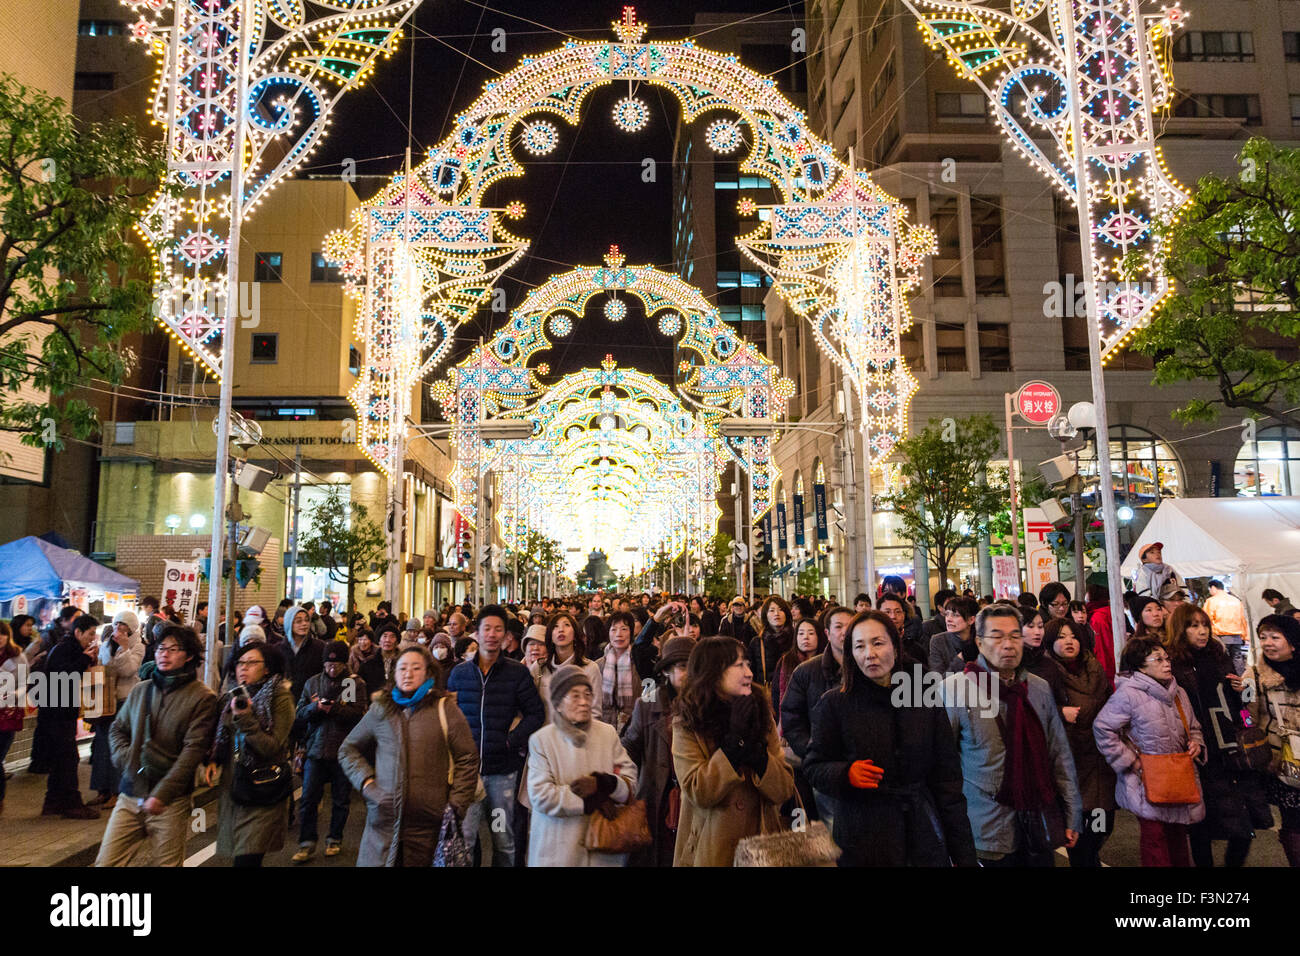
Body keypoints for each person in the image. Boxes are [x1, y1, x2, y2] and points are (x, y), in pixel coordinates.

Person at [804, 611, 976, 866]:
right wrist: (844, 774)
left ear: (895, 647)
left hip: (922, 832)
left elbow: (947, 780)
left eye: (878, 643)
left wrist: (964, 856)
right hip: (862, 834)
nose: (869, 654)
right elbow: (814, 765)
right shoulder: (834, 704)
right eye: (859, 646)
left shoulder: (922, 696)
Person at [940, 605, 1082, 866]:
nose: (1008, 645)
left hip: (1039, 822)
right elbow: (941, 769)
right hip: (985, 830)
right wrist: (950, 835)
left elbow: (1059, 753)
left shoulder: (1037, 688)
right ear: (980, 643)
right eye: (997, 636)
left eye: (1015, 636)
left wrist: (1072, 813)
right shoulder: (954, 690)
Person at [339, 645, 479, 866]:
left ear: (428, 673)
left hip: (429, 827)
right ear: (394, 673)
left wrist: (455, 805)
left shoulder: (446, 709)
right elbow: (348, 749)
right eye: (402, 668)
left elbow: (467, 758)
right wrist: (367, 784)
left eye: (416, 668)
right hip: (383, 823)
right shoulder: (381, 709)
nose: (408, 673)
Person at [94, 626, 218, 866]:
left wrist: (162, 795)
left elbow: (192, 752)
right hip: (130, 794)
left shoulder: (203, 698)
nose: (164, 654)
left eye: (173, 649)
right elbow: (118, 729)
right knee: (106, 862)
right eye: (161, 648)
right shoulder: (141, 690)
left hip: (170, 802)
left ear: (189, 656)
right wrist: (126, 758)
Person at [670, 636, 795, 866]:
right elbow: (699, 791)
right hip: (710, 849)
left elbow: (784, 788)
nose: (749, 672)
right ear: (713, 671)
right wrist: (733, 745)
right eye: (739, 665)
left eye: (748, 664)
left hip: (762, 846)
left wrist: (758, 756)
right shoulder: (688, 721)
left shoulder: (758, 711)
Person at [1166, 604, 1270, 868]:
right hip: (1199, 749)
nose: (1202, 632)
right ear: (1181, 629)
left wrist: (1241, 689)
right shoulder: (1172, 664)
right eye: (1193, 626)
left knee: (1242, 820)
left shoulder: (1219, 654)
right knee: (1202, 822)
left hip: (1231, 745)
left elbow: (1244, 704)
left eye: (1204, 625)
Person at [1093, 637, 1205, 867]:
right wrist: (1129, 761)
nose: (1166, 663)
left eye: (1167, 658)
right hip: (1146, 781)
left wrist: (1196, 743)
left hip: (1178, 776)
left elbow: (1193, 727)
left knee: (1178, 840)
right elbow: (1103, 728)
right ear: (1140, 666)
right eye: (1158, 659)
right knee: (1155, 842)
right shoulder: (1129, 695)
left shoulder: (1178, 693)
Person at [447, 605, 546, 867]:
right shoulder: (459, 674)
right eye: (486, 628)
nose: (492, 634)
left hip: (502, 775)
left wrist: (510, 741)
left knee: (503, 838)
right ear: (476, 634)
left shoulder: (516, 673)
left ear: (505, 636)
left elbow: (536, 713)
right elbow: (448, 718)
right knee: (465, 839)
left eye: (498, 629)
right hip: (467, 775)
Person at [526, 665, 638, 866]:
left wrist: (608, 784)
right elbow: (541, 795)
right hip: (559, 851)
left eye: (588, 694)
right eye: (575, 696)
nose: (584, 702)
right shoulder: (542, 740)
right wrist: (591, 801)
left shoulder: (607, 733)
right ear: (558, 703)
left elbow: (630, 779)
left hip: (604, 847)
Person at [203, 642, 295, 867]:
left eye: (252, 662)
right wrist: (213, 758)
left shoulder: (280, 698)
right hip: (235, 786)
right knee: (241, 854)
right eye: (240, 663)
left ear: (267, 668)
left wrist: (245, 718)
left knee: (247, 858)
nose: (243, 668)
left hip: (264, 787)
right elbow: (222, 733)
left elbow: (271, 746)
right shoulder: (231, 697)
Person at [1045, 617, 1115, 867]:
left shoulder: (1094, 667)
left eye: (1073, 636)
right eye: (1061, 637)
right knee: (1080, 836)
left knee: (1102, 826)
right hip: (1072, 763)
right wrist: (1060, 711)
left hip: (1101, 761)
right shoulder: (1047, 675)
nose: (1069, 641)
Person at [291, 640, 368, 862]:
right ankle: (306, 842)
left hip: (343, 750)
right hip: (315, 750)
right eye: (328, 664)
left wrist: (332, 708)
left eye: (337, 664)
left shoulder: (353, 684)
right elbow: (300, 714)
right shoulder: (313, 683)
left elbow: (356, 714)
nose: (332, 668)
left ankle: (334, 838)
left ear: (345, 663)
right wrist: (316, 708)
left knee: (341, 799)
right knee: (308, 799)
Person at [621, 636, 694, 867]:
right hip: (658, 798)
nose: (689, 673)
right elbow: (629, 747)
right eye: (682, 666)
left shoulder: (708, 703)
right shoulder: (648, 703)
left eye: (694, 666)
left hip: (695, 797)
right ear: (666, 672)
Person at [1242, 614, 1300, 866]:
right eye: (1263, 637)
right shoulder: (1252, 676)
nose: (1267, 643)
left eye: (1275, 637)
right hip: (1284, 762)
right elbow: (1246, 718)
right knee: (1294, 820)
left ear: (1293, 643)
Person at [38, 614, 101, 818]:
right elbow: (64, 675)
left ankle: (53, 803)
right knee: (68, 759)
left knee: (61, 760)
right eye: (90, 634)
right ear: (78, 632)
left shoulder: (71, 648)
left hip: (60, 712)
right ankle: (71, 804)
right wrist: (85, 658)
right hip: (56, 713)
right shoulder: (66, 649)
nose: (92, 638)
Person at [88, 611, 145, 808]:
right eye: (116, 625)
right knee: (101, 745)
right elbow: (105, 669)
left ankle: (116, 790)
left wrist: (124, 649)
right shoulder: (106, 643)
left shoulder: (138, 646)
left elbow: (129, 670)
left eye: (122, 626)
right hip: (105, 701)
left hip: (124, 700)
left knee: (117, 746)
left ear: (131, 629)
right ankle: (101, 790)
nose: (118, 630)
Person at [532, 612, 602, 723]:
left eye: (566, 625)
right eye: (556, 626)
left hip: (578, 737)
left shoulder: (590, 668)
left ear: (575, 635)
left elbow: (595, 713)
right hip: (546, 737)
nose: (561, 630)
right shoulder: (539, 667)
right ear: (550, 636)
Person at [597, 611, 642, 734]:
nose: (619, 634)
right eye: (613, 630)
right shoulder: (597, 666)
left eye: (624, 629)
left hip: (635, 730)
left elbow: (650, 699)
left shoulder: (641, 665)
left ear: (631, 633)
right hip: (604, 731)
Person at [0, 623, 27, 815]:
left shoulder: (17, 656)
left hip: (7, 714)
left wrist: (11, 694)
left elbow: (26, 684)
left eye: (2, 634)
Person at [775, 617, 824, 721]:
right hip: (792, 720)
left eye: (811, 633)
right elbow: (778, 694)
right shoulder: (786, 660)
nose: (805, 637)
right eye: (801, 633)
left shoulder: (826, 662)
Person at [282, 605, 326, 706]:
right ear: (289, 623)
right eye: (298, 621)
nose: (304, 624)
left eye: (307, 620)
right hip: (285, 702)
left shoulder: (319, 647)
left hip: (311, 702)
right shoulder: (278, 649)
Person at [1203, 580, 1249, 676]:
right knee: (1238, 661)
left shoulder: (1211, 601)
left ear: (1213, 588)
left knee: (1223, 662)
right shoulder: (1236, 601)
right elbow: (1242, 619)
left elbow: (1206, 620)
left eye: (1210, 589)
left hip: (1220, 637)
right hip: (1237, 636)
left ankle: (1227, 685)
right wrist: (1245, 636)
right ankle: (1242, 683)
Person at [749, 595, 794, 687]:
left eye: (781, 610)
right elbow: (752, 673)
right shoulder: (757, 642)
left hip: (793, 692)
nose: (776, 614)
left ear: (787, 614)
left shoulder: (795, 639)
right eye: (772, 610)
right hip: (767, 693)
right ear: (765, 615)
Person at [928, 596, 980, 674]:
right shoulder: (938, 641)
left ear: (971, 620)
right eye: (947, 614)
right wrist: (961, 658)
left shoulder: (982, 640)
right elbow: (938, 682)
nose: (948, 619)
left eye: (955, 615)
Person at [1020, 607, 1062, 698]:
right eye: (1030, 626)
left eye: (1040, 626)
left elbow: (1057, 699)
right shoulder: (1008, 664)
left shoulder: (1049, 664)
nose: (1037, 632)